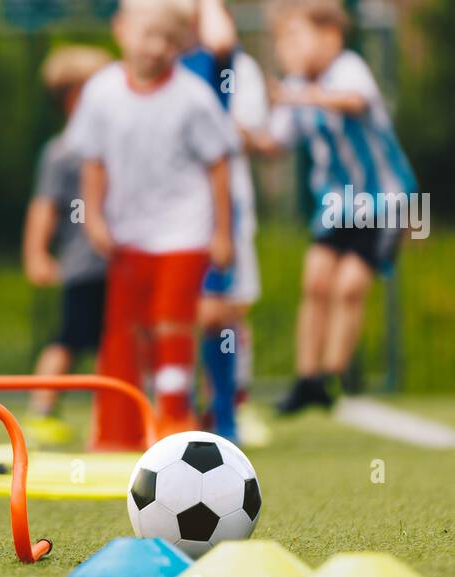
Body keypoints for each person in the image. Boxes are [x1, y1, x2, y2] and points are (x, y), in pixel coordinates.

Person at [70, 0, 240, 442]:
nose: (157, 47)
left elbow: (219, 165)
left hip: (184, 229)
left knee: (172, 321)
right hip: (128, 233)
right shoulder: (101, 91)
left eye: (169, 39)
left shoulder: (193, 97)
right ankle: (120, 431)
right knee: (126, 330)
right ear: (121, 31)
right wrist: (94, 221)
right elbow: (94, 162)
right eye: (149, 35)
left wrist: (223, 232)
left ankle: (173, 417)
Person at [247, 0, 417, 414]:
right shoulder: (297, 88)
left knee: (350, 286)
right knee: (316, 282)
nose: (286, 49)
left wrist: (293, 95)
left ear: (330, 36)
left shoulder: (347, 68)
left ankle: (334, 373)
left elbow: (353, 102)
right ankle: (308, 380)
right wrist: (234, 133)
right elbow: (273, 145)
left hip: (387, 201)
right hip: (336, 205)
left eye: (294, 37)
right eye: (281, 40)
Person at [179, 0, 273, 445]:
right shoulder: (164, 63)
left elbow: (246, 132)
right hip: (165, 210)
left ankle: (229, 406)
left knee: (226, 312)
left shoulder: (231, 67)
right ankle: (180, 410)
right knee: (175, 315)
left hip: (222, 207)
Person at [22, 45, 115, 447]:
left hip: (122, 262)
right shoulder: (62, 152)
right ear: (75, 95)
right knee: (69, 338)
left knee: (113, 341)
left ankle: (113, 415)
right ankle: (42, 410)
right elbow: (44, 208)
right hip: (84, 264)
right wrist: (37, 254)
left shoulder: (114, 143)